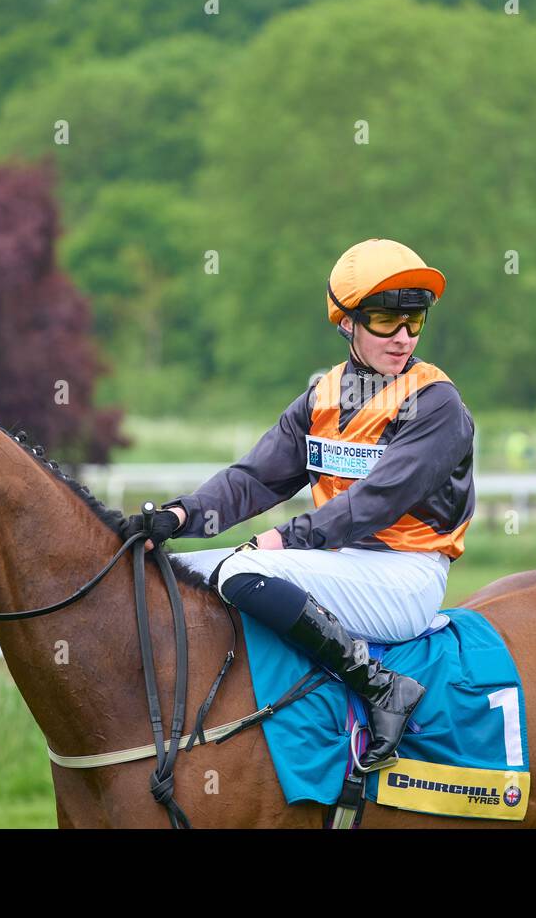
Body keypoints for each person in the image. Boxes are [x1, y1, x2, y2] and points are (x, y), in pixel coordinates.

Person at [142, 238, 476, 771]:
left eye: (415, 319)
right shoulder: (323, 396)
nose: (404, 336)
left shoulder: (437, 404)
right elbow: (253, 480)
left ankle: (383, 688)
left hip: (406, 578)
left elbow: (374, 502)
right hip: (339, 567)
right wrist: (177, 515)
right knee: (174, 574)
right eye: (386, 320)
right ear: (346, 321)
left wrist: (284, 538)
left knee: (243, 568)